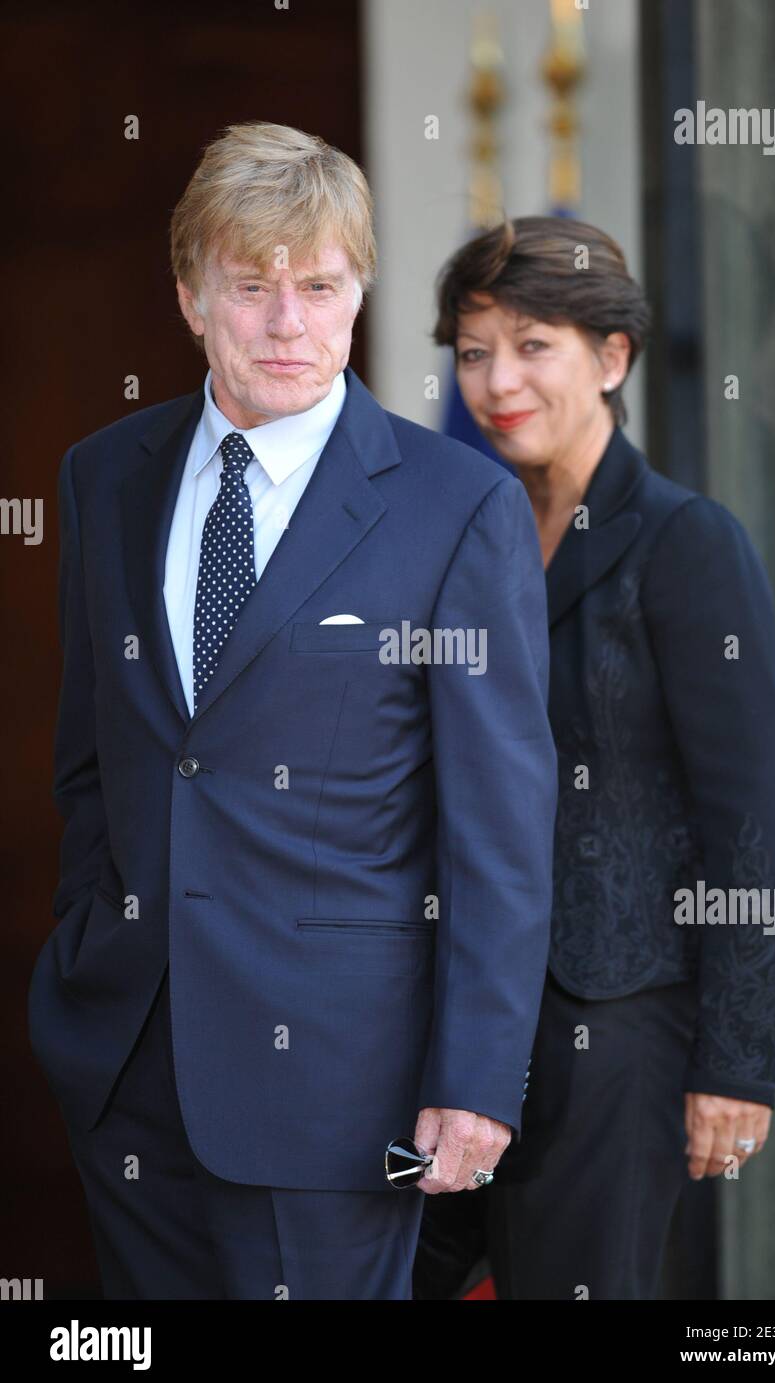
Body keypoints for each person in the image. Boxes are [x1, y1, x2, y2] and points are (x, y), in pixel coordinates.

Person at [26, 127, 558, 1301]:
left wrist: (475, 1076)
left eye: (318, 286)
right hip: (127, 1065)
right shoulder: (103, 477)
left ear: (358, 293)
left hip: (337, 1083)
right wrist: (80, 972)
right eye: (251, 286)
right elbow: (94, 765)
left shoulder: (454, 505)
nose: (287, 322)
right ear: (189, 297)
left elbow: (501, 825)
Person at [414, 215, 775, 1300]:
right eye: (474, 350)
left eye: (533, 345)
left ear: (612, 358)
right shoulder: (458, 538)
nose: (495, 381)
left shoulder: (686, 544)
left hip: (620, 1026)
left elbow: (750, 820)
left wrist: (735, 1062)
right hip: (463, 1028)